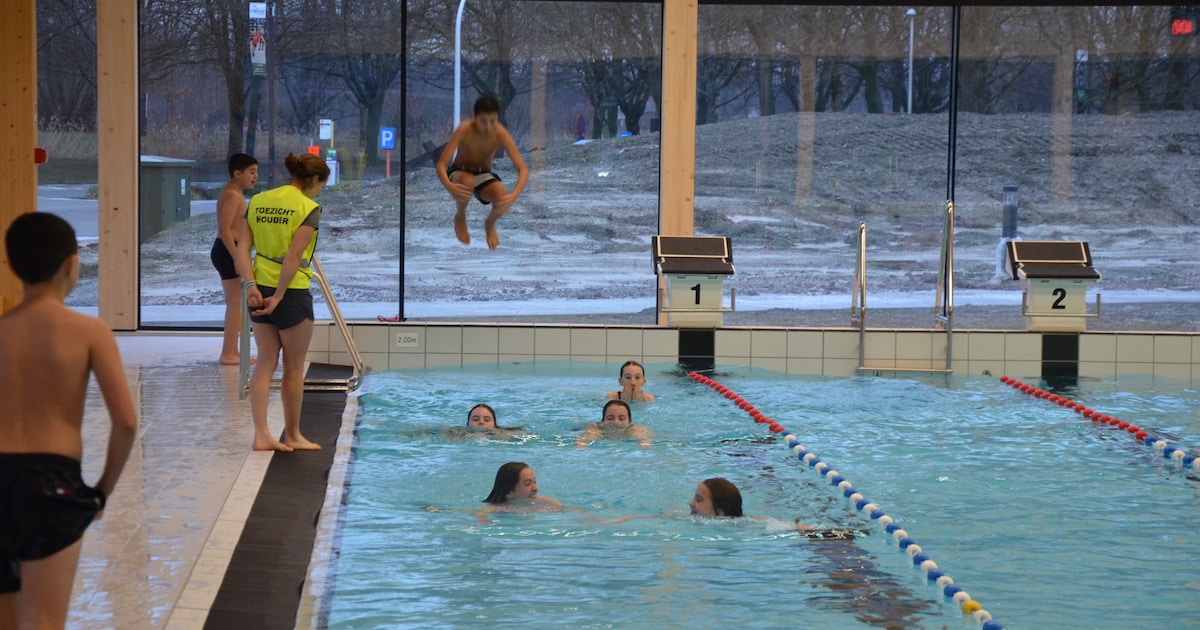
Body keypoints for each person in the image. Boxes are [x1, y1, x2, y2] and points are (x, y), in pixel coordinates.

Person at [0, 212, 138, 629]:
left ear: (12, 266)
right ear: (70, 264)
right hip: (51, 483)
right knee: (43, 620)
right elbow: (126, 422)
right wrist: (100, 494)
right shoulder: (88, 331)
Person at [234, 152, 329, 452]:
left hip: (257, 286)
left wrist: (250, 285)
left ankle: (261, 434)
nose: (320, 191)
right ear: (313, 180)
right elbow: (293, 256)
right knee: (293, 366)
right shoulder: (308, 207)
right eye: (321, 185)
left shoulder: (259, 200)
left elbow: (242, 248)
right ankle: (294, 435)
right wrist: (279, 295)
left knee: (264, 364)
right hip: (291, 292)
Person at [436, 94, 529, 250]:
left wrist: (513, 197)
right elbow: (441, 165)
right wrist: (449, 186)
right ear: (475, 117)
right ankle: (460, 216)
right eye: (483, 122)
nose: (487, 127)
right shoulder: (464, 129)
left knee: (502, 196)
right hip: (460, 172)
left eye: (492, 121)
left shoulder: (500, 133)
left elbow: (523, 169)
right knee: (467, 181)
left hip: (483, 174)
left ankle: (490, 223)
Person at [212, 153, 259, 366]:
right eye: (251, 172)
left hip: (230, 250)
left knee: (236, 304)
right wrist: (237, 258)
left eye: (256, 172)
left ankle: (233, 351)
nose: (255, 176)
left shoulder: (234, 193)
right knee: (234, 305)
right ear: (237, 173)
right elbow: (224, 230)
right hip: (227, 250)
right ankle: (227, 354)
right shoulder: (232, 195)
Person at [475, 462, 563, 520]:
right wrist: (483, 519)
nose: (535, 488)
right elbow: (481, 513)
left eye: (534, 482)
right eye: (527, 484)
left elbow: (565, 508)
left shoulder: (541, 500)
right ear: (509, 493)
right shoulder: (501, 507)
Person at [575, 400, 652, 447]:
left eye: (621, 418)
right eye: (610, 418)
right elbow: (581, 444)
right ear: (603, 421)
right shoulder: (596, 430)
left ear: (630, 422)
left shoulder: (635, 430)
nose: (616, 422)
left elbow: (645, 445)